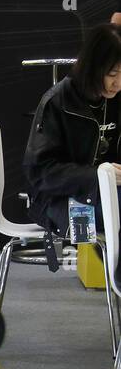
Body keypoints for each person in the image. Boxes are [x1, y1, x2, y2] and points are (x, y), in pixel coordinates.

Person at [24, 23, 121, 235]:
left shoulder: (116, 100)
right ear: (94, 66)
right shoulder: (57, 102)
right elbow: (40, 173)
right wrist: (98, 176)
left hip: (107, 194)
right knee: (117, 211)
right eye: (113, 74)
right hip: (57, 203)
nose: (118, 83)